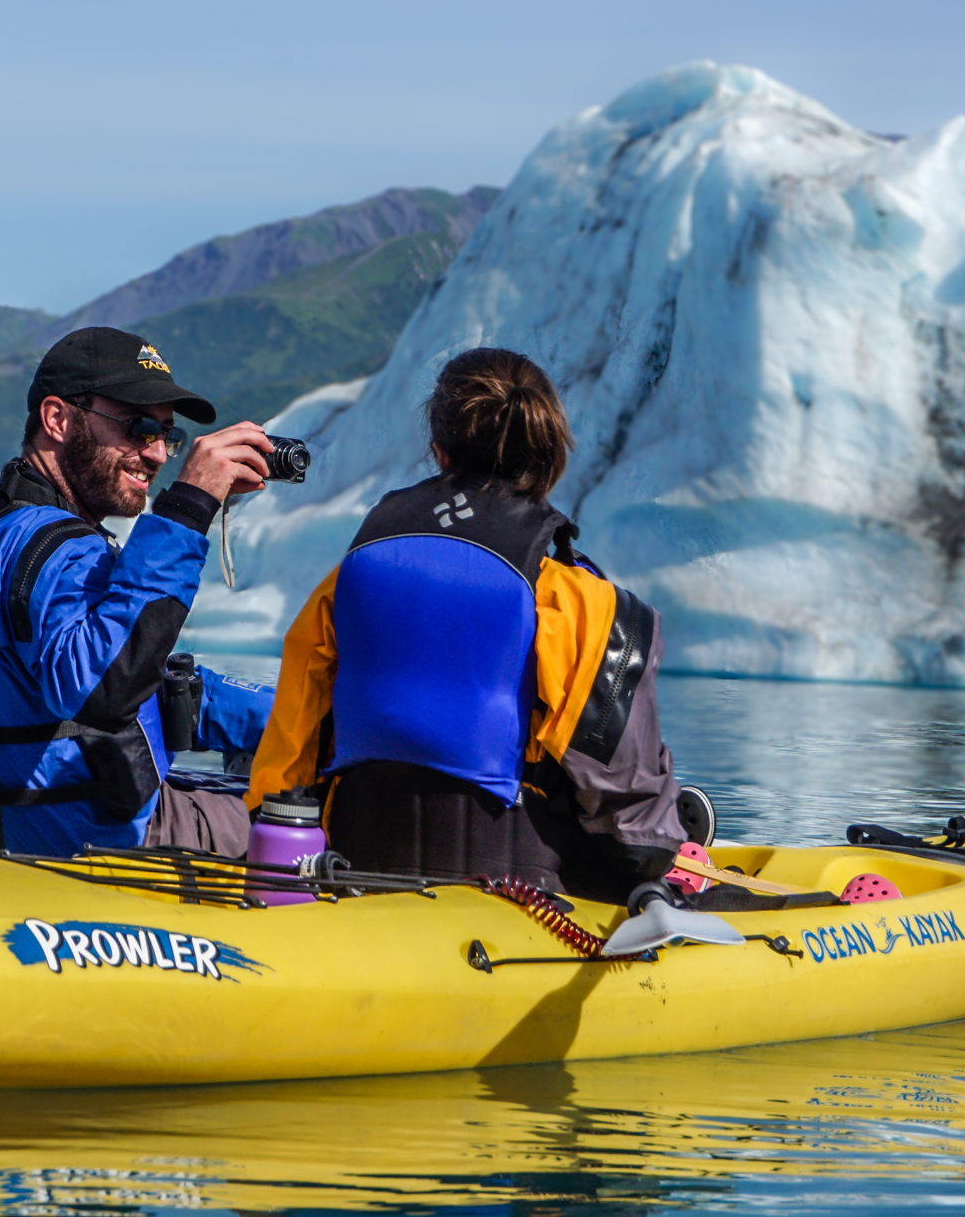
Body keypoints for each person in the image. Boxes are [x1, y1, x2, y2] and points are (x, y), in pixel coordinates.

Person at [247, 347, 695, 901]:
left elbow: (284, 767)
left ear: (439, 452)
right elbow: (634, 824)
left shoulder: (348, 580)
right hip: (520, 894)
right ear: (549, 456)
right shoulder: (576, 600)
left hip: (355, 872)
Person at [0, 326, 275, 863]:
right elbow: (103, 688)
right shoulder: (58, 549)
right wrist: (189, 507)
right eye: (135, 427)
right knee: (319, 815)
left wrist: (288, 714)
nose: (156, 454)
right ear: (57, 419)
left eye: (165, 436)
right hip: (95, 852)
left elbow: (123, 682)